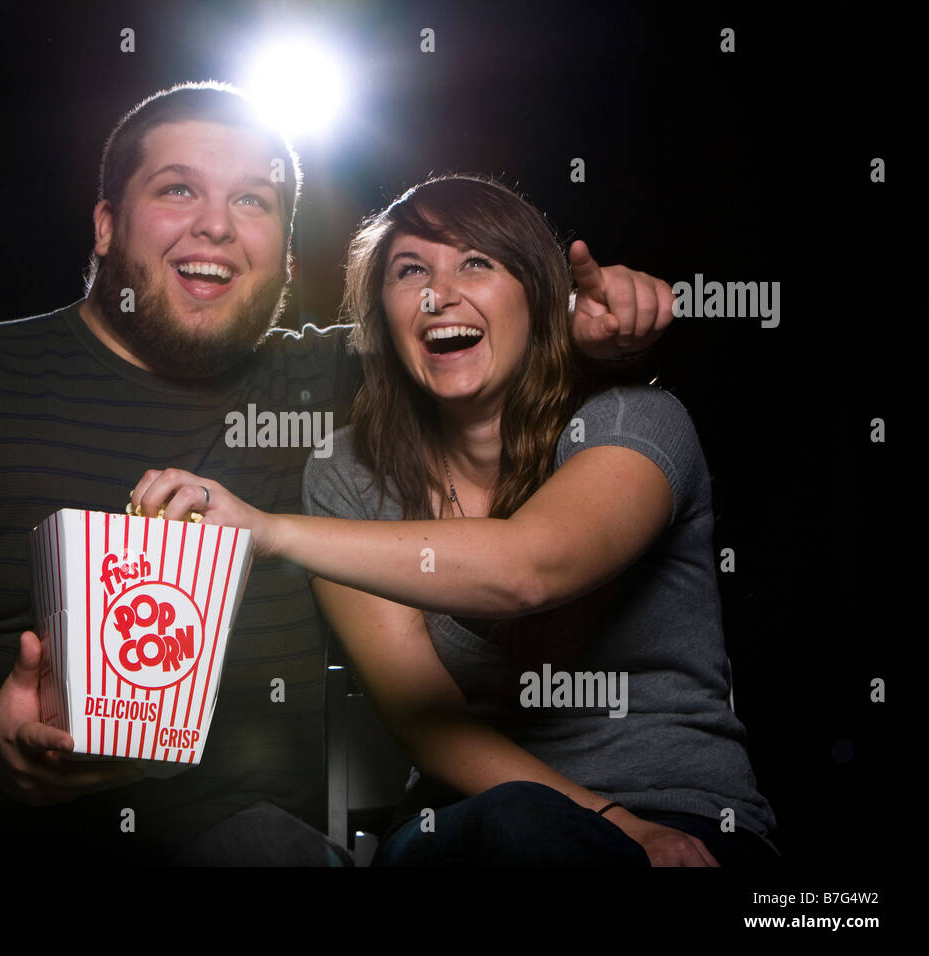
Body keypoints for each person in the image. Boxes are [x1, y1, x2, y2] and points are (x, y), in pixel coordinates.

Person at [0, 84, 672, 867]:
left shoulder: (341, 383)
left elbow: (474, 345)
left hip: (213, 815)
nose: (215, 225)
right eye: (178, 190)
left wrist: (595, 335)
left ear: (284, 255)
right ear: (105, 223)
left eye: (251, 200)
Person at [131, 174, 778, 866]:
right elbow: (428, 726)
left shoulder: (634, 420)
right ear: (381, 314)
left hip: (677, 821)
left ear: (537, 296)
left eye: (477, 262)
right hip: (467, 828)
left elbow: (530, 569)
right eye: (412, 271)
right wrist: (602, 820)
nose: (439, 294)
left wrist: (272, 531)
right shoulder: (347, 475)